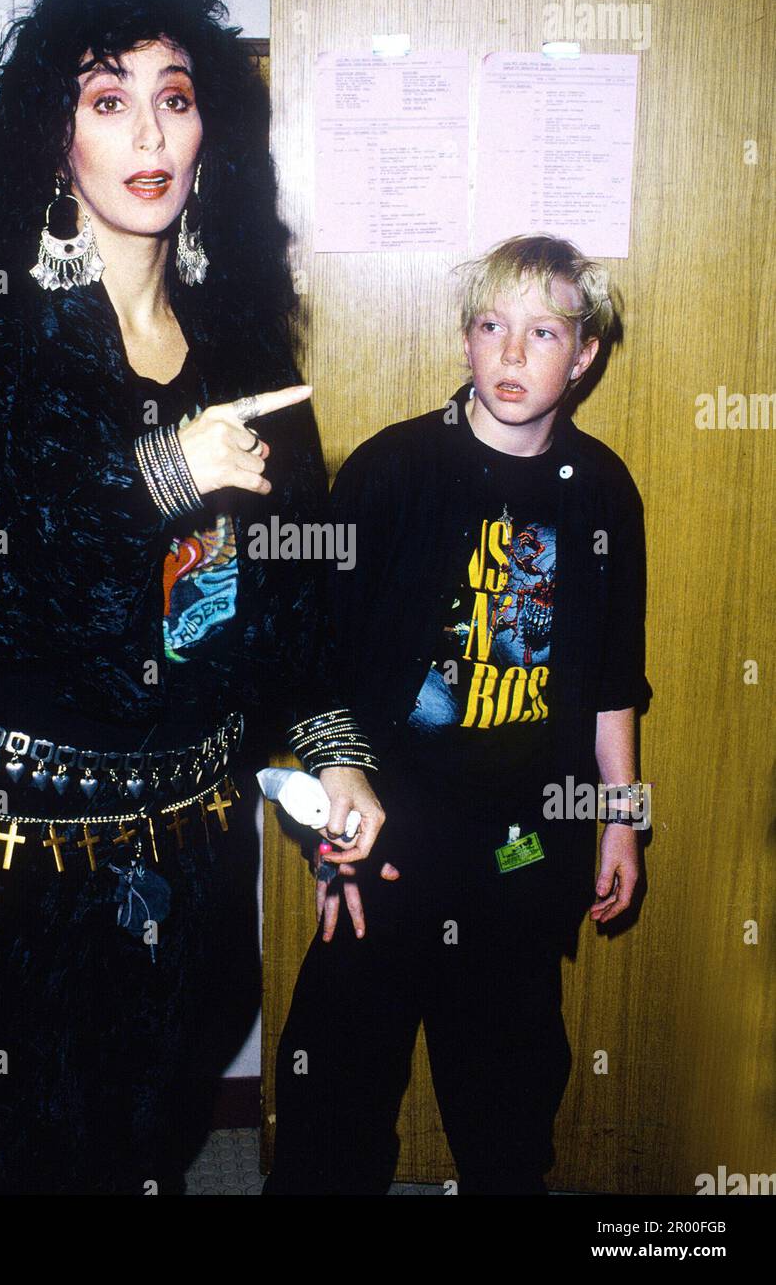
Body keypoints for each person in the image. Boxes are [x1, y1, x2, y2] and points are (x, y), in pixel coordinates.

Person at [0, 0, 383, 1196]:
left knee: (157, 1129)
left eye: (176, 95)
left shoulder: (248, 346)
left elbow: (295, 589)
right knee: (15, 1150)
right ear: (57, 140)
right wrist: (152, 476)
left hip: (201, 828)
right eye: (108, 99)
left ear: (212, 132)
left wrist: (336, 748)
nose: (150, 129)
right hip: (30, 839)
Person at [264, 234, 652, 1196]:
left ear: (586, 352)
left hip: (523, 853)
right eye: (492, 327)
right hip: (388, 843)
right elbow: (318, 668)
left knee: (510, 1117)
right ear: (467, 338)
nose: (513, 355)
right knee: (334, 1109)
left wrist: (621, 819)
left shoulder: (604, 491)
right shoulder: (392, 473)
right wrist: (332, 830)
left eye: (544, 332)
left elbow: (614, 681)